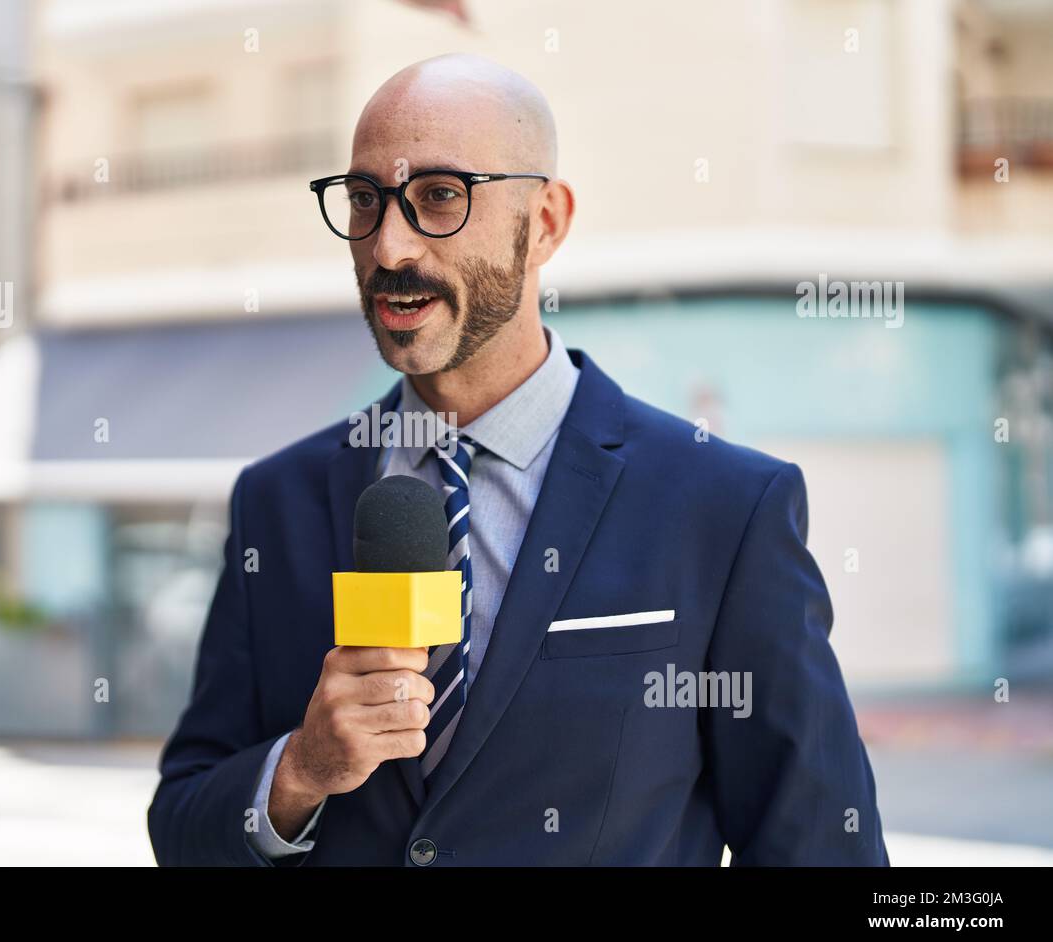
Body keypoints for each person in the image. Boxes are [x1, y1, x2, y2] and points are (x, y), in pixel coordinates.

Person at [148, 53, 889, 866]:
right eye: (365, 200)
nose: (388, 245)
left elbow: (820, 843)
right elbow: (182, 821)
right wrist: (297, 773)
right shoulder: (275, 501)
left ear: (545, 223)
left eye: (438, 196)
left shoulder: (722, 506)